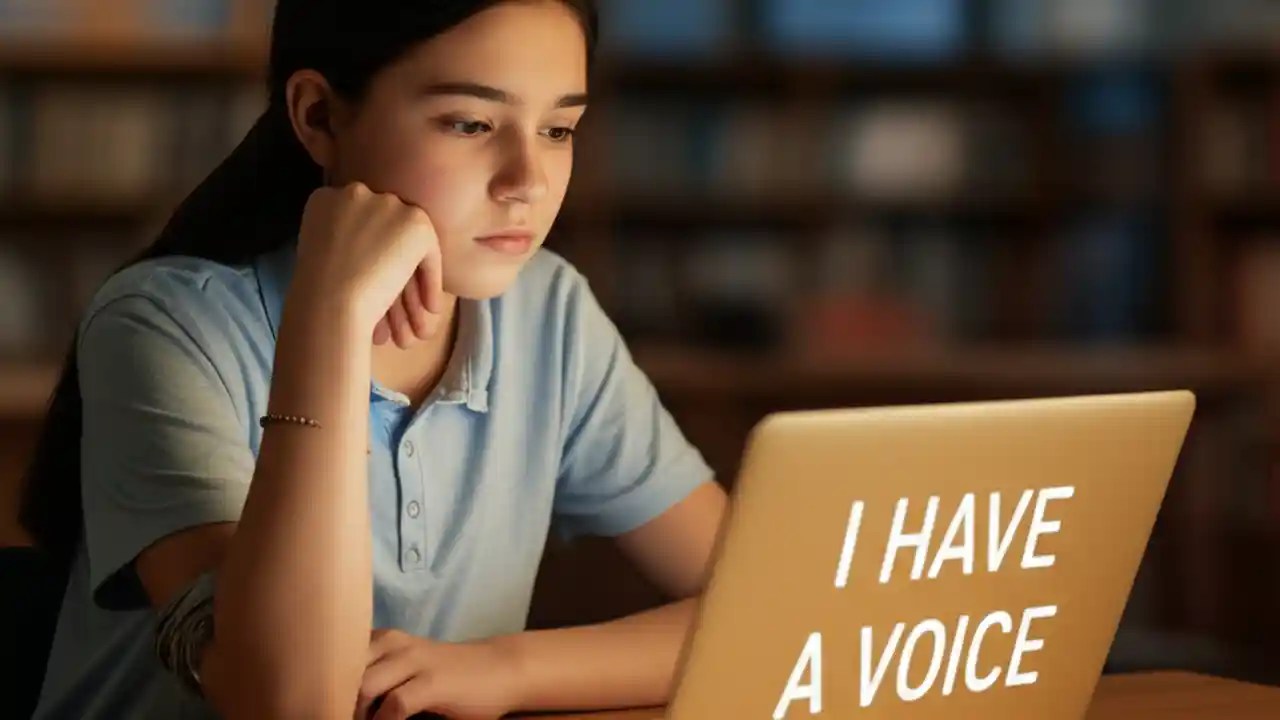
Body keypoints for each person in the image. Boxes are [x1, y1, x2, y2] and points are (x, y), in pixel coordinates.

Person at [20, 1, 728, 718]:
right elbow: (291, 703)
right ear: (320, 116)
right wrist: (330, 320)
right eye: (472, 123)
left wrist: (503, 670)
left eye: (557, 129)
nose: (528, 180)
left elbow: (791, 605)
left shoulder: (548, 315)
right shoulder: (163, 324)